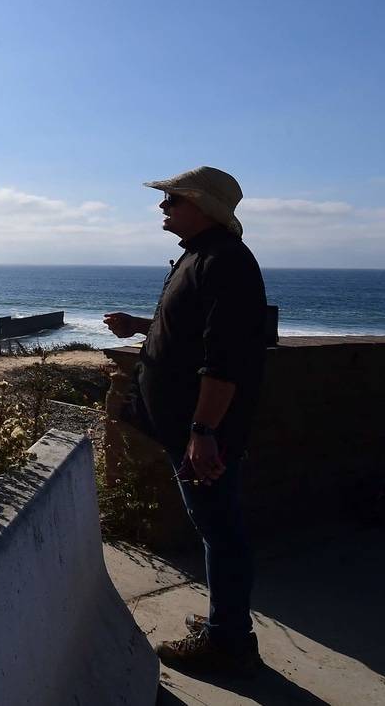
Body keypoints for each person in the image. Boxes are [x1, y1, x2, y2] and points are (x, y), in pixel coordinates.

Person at [104, 165, 267, 679]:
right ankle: (228, 623)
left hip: (203, 436)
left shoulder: (226, 263)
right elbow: (192, 327)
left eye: (173, 199)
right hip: (188, 429)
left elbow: (227, 359)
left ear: (202, 205)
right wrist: (142, 326)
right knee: (215, 528)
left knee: (220, 532)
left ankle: (227, 643)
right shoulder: (202, 257)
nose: (163, 207)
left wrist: (204, 432)